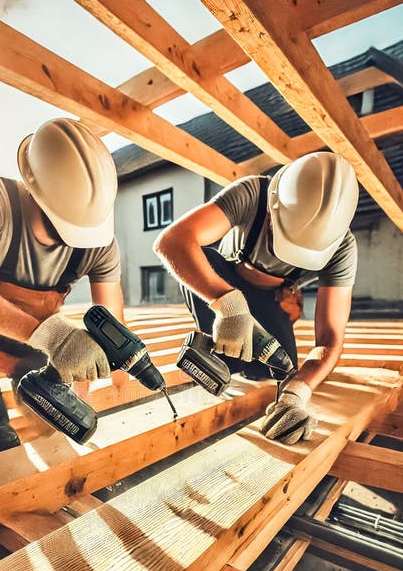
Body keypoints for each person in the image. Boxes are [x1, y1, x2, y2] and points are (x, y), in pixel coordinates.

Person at [0, 118, 124, 457]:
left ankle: (18, 374)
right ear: (33, 186)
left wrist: (95, 362)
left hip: (26, 334)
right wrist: (55, 337)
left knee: (40, 396)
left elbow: (112, 323)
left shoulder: (98, 240)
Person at [154, 152, 359, 445]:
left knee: (275, 368)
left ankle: (234, 358)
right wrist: (228, 305)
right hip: (223, 282)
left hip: (269, 299)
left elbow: (329, 340)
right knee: (205, 259)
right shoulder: (253, 194)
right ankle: (219, 347)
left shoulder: (343, 249)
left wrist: (296, 394)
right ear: (274, 207)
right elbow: (172, 242)